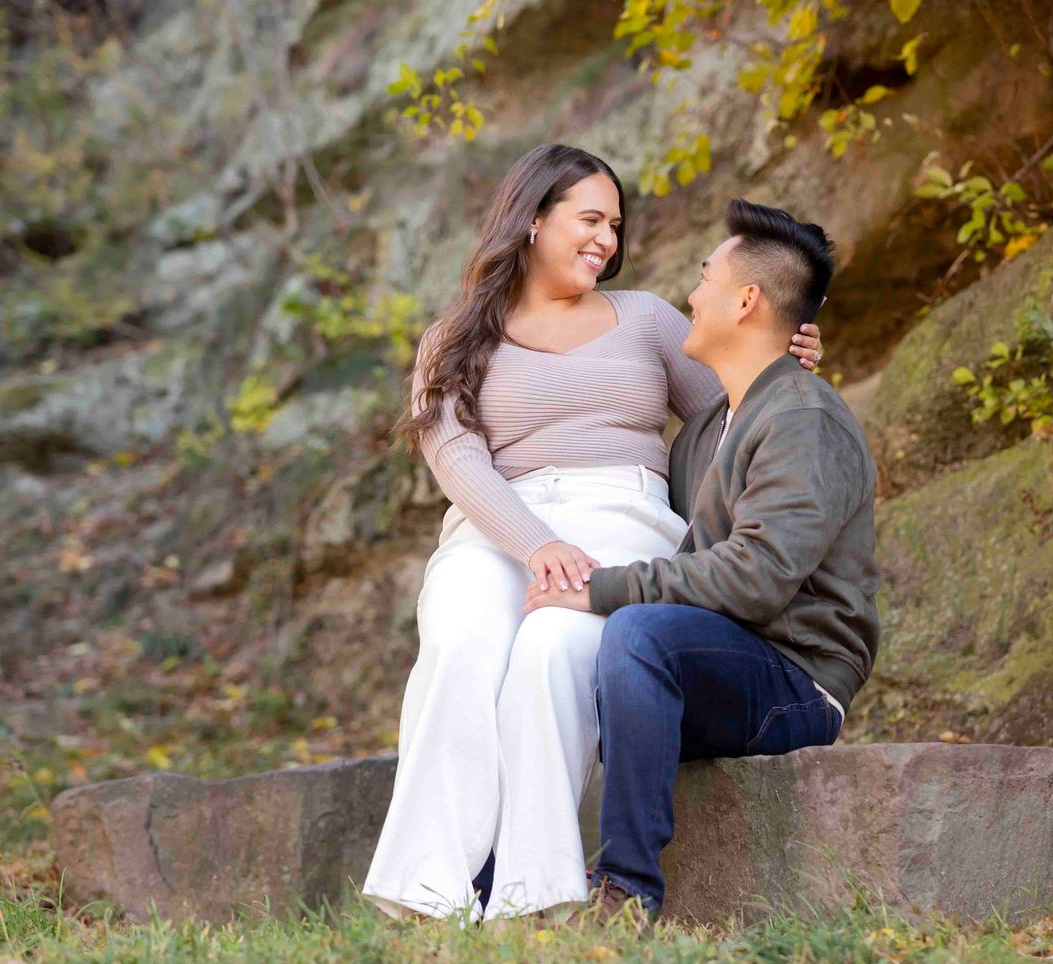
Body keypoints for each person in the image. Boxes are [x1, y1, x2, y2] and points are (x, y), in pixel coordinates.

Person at [360, 146, 826, 924]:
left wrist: (782, 361)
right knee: (464, 641)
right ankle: (426, 895)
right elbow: (455, 454)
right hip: (496, 527)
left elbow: (731, 413)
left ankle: (533, 898)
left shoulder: (644, 318)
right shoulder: (452, 338)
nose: (606, 238)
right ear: (534, 217)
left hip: (622, 518)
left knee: (555, 650)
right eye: (589, 218)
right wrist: (535, 543)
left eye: (615, 225)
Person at [523, 198, 880, 920]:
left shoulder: (802, 418)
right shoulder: (710, 430)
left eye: (705, 276)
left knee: (635, 631)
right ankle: (502, 879)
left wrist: (601, 588)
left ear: (747, 300)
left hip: (798, 677)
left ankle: (625, 890)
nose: (692, 295)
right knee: (564, 655)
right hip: (728, 657)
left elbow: (755, 579)